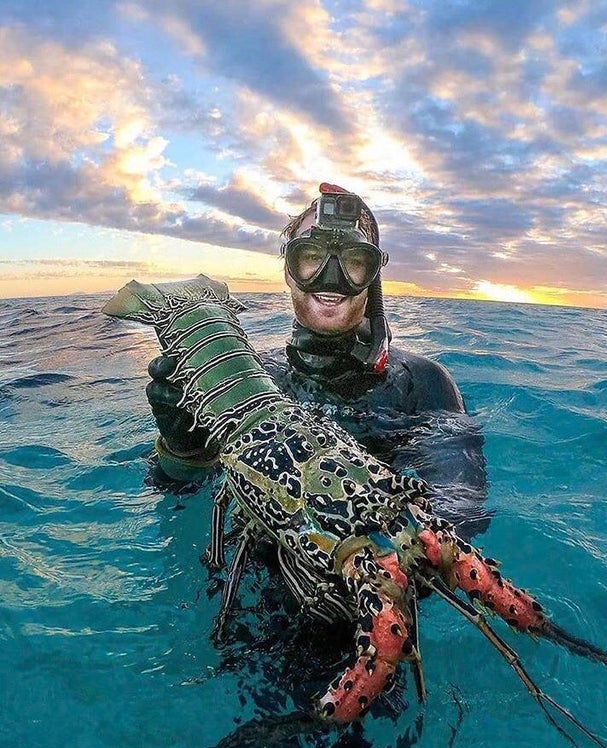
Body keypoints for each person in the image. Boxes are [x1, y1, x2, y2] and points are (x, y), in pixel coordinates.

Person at [146, 184, 488, 534]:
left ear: (373, 277)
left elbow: (461, 508)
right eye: (310, 256)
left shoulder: (421, 381)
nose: (331, 278)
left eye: (354, 261)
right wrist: (182, 451)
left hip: (375, 562)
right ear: (288, 270)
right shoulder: (247, 379)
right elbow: (176, 497)